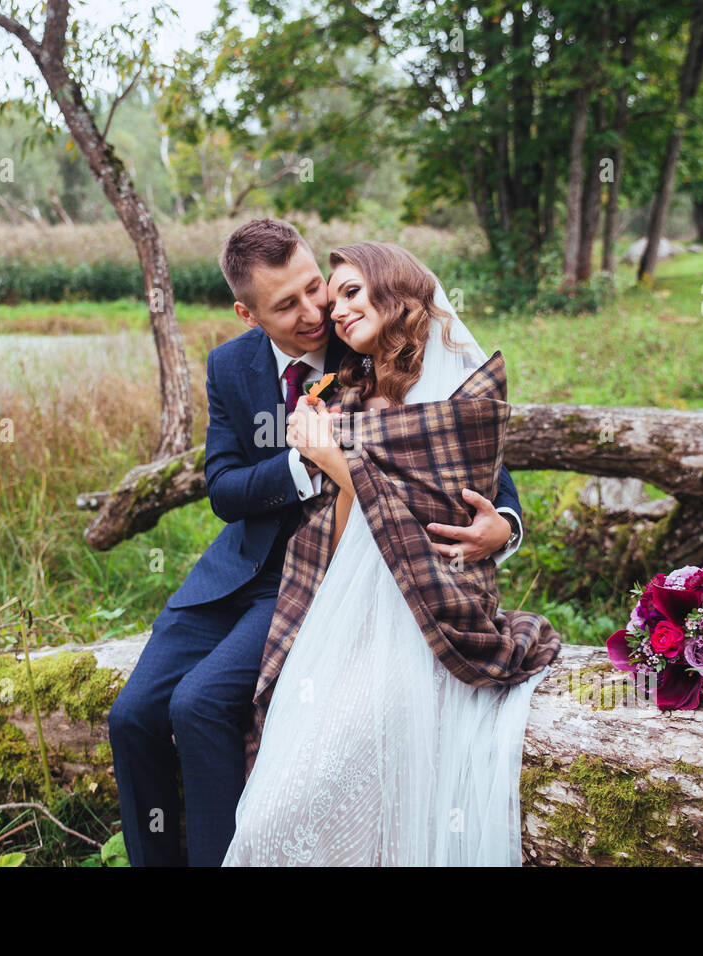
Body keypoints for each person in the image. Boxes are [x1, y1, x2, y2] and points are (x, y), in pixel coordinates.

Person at [106, 220, 527, 866]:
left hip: (323, 579)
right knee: (131, 715)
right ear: (248, 313)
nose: (314, 314)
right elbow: (224, 487)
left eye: (314, 290)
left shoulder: (364, 334)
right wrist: (305, 463)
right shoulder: (231, 364)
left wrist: (503, 518)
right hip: (235, 570)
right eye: (287, 305)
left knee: (199, 705)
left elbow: (460, 438)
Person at [222, 241, 561, 866]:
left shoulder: (451, 377)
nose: (330, 309)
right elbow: (349, 517)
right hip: (351, 588)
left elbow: (447, 496)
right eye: (334, 293)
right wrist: (325, 465)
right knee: (277, 794)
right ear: (251, 313)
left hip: (424, 597)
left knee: (353, 760)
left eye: (348, 291)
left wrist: (505, 527)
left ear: (392, 289)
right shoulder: (350, 383)